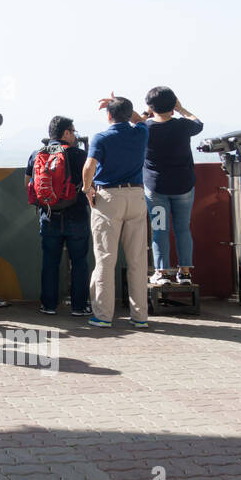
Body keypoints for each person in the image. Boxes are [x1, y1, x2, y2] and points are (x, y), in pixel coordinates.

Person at [83, 94, 150, 328]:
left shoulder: (101, 137)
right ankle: (140, 316)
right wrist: (119, 102)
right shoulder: (141, 132)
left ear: (108, 115)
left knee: (105, 259)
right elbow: (139, 118)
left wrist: (86, 188)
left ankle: (102, 315)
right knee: (138, 260)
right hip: (137, 196)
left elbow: (89, 165)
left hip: (109, 198)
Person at [25, 117, 91, 317]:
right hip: (76, 215)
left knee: (50, 261)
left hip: (49, 215)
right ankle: (79, 306)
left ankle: (49, 305)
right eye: (72, 131)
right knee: (79, 261)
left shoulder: (37, 154)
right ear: (66, 133)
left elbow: (28, 185)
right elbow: (90, 182)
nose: (74, 135)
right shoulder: (79, 155)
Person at [141, 86, 203, 285]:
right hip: (183, 186)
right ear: (173, 104)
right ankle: (184, 272)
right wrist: (182, 109)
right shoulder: (183, 126)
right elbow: (198, 123)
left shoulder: (146, 128)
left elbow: (137, 122)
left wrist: (146, 112)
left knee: (160, 229)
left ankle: (162, 272)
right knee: (183, 229)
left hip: (156, 189)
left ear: (151, 107)